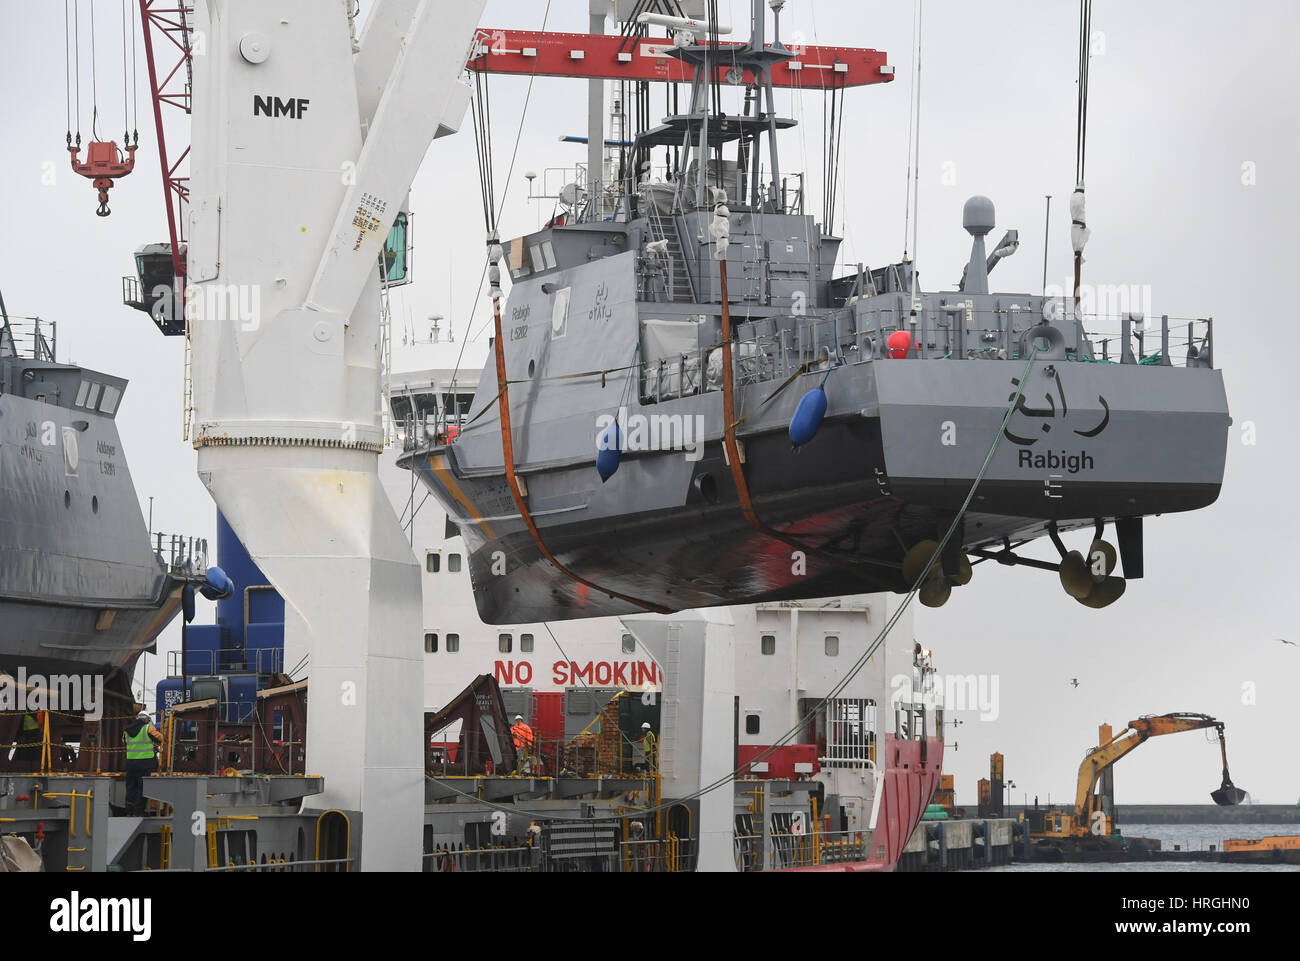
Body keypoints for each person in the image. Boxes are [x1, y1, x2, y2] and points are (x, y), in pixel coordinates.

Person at [122, 710, 163, 816]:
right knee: (142, 787)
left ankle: (129, 811)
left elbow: (124, 742)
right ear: (147, 719)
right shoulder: (148, 728)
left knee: (130, 786)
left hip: (131, 762)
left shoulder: (127, 730)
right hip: (145, 763)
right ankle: (138, 811)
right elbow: (160, 738)